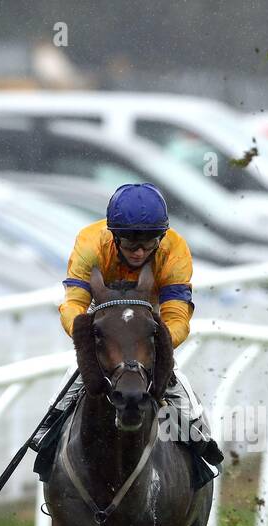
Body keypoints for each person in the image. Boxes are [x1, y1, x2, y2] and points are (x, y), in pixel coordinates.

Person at [30, 182, 223, 482]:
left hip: (147, 327)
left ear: (162, 237)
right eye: (131, 244)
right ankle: (47, 440)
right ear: (114, 235)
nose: (140, 251)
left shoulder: (174, 248)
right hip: (106, 328)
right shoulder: (91, 243)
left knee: (179, 389)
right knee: (69, 386)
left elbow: (176, 315)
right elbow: (73, 304)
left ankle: (201, 449)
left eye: (149, 243)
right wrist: (86, 338)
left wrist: (158, 345)